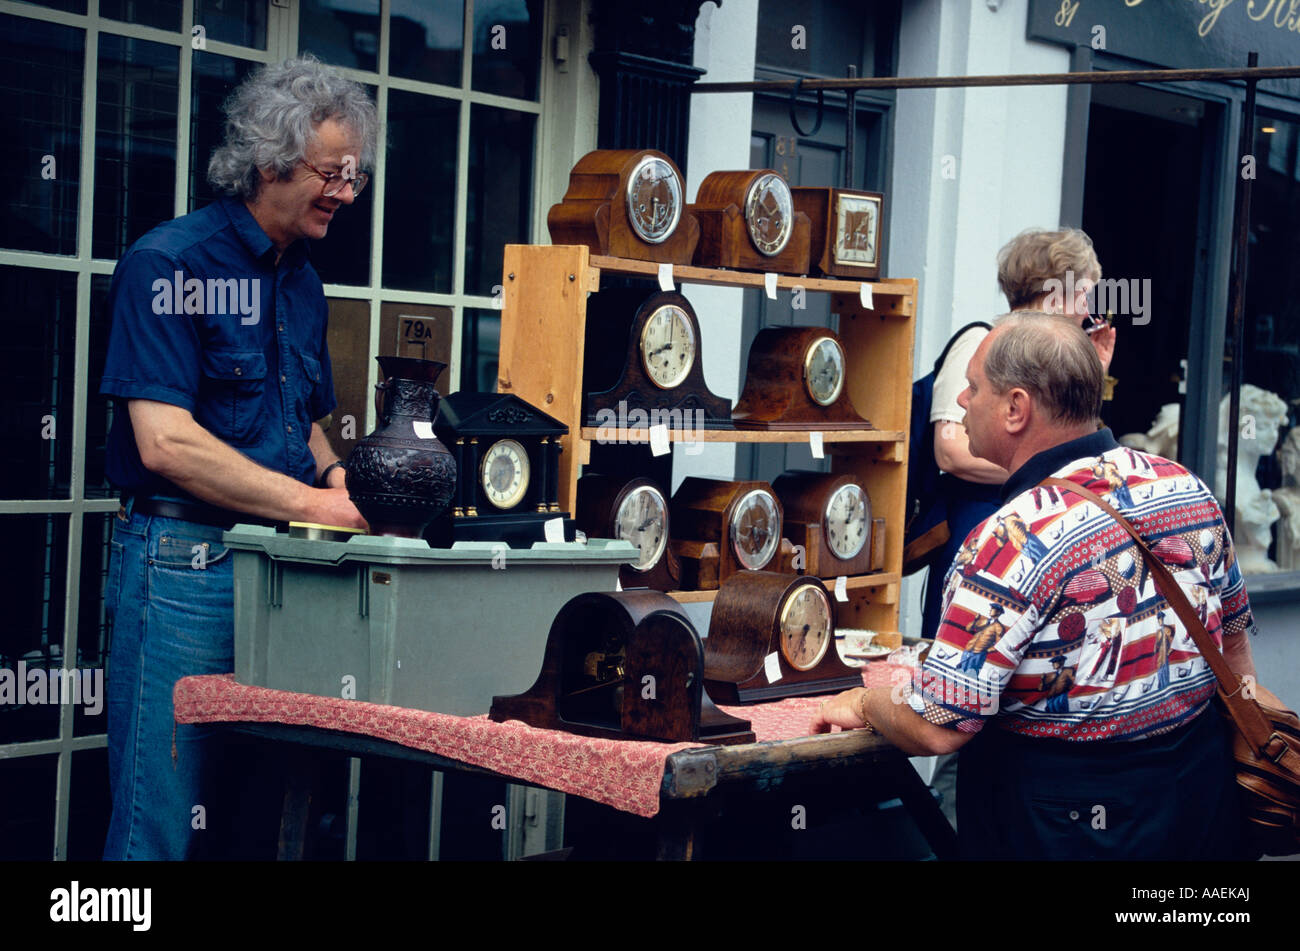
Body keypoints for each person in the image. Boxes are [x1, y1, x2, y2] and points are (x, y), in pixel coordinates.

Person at [813, 313, 1261, 860]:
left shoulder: (1010, 539)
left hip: (1066, 828)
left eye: (974, 387)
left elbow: (939, 727)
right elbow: (1234, 641)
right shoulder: (1182, 484)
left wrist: (862, 701)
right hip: (1199, 809)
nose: (959, 399)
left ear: (1015, 409)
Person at [99, 56, 375, 860]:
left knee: (261, 822)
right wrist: (315, 505)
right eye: (332, 175)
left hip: (283, 577)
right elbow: (165, 442)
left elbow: (303, 423)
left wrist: (334, 474)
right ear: (270, 160)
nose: (346, 195)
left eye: (354, 177)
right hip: (182, 572)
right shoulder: (169, 264)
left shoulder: (305, 284)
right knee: (157, 821)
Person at [921, 228, 1117, 641]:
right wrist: (1041, 471)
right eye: (1085, 295)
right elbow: (951, 452)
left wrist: (1091, 379)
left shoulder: (1052, 359)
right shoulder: (982, 344)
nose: (1089, 311)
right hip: (981, 523)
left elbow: (1062, 443)